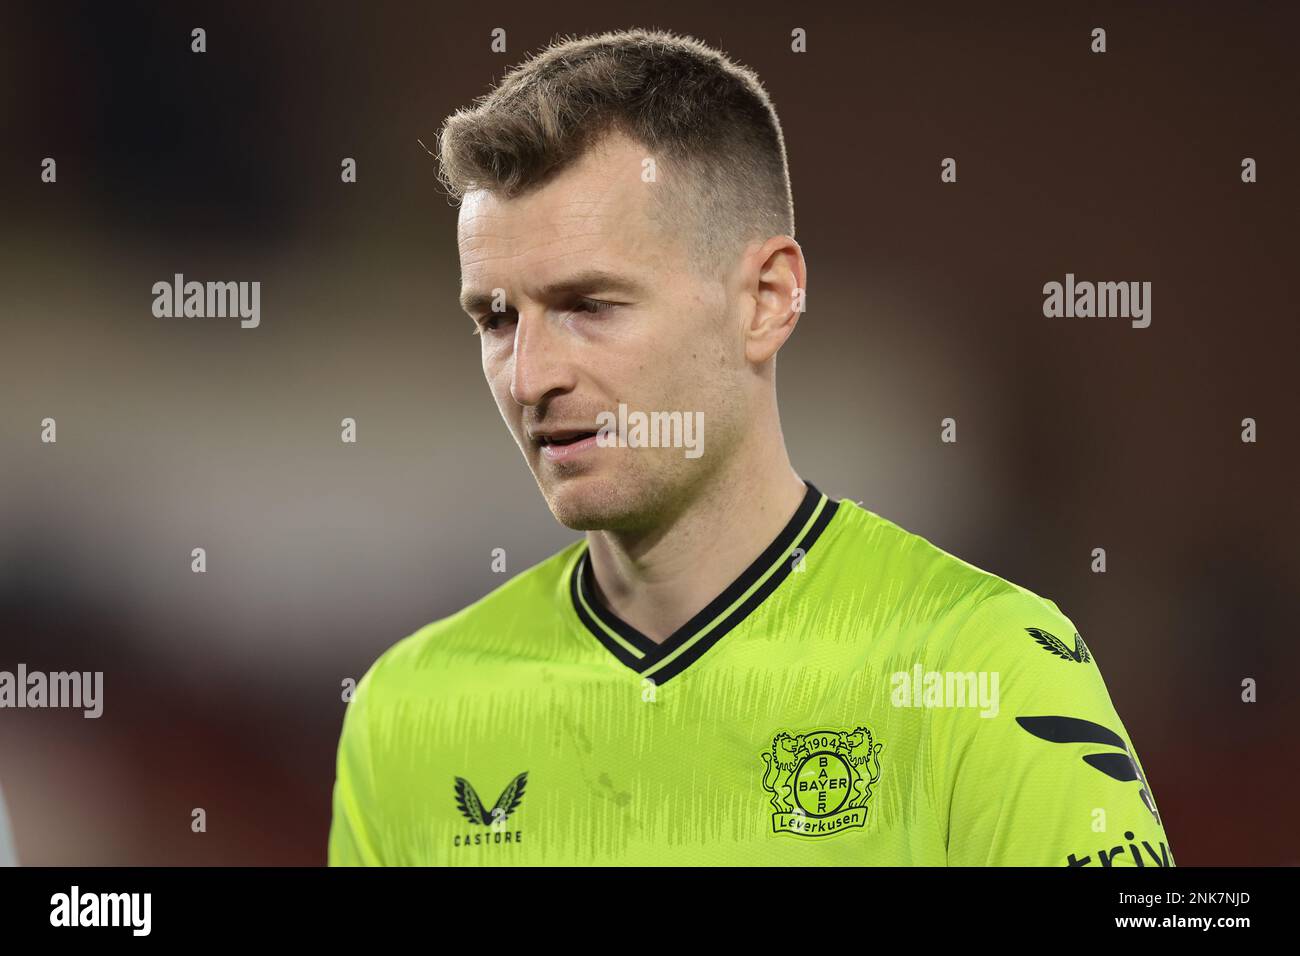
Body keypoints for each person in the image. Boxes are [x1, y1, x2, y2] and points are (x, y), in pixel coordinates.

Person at [329, 28, 1173, 866]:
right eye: (497, 319)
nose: (530, 377)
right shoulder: (408, 712)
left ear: (767, 299)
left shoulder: (987, 668)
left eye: (590, 304)